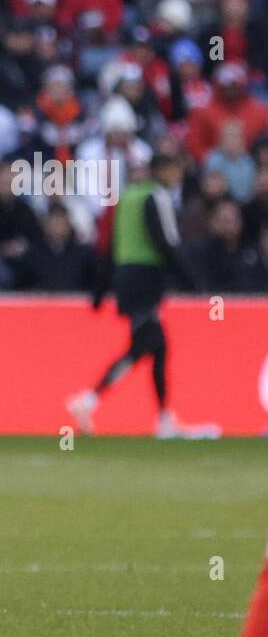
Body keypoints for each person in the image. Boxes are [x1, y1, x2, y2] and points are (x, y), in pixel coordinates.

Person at [67, 153, 205, 438]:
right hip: (146, 278)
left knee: (155, 346)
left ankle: (163, 418)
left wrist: (100, 290)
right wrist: (194, 283)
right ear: (165, 171)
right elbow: (166, 242)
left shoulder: (127, 197)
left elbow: (108, 245)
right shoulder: (157, 197)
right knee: (148, 343)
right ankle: (89, 400)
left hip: (125, 279)